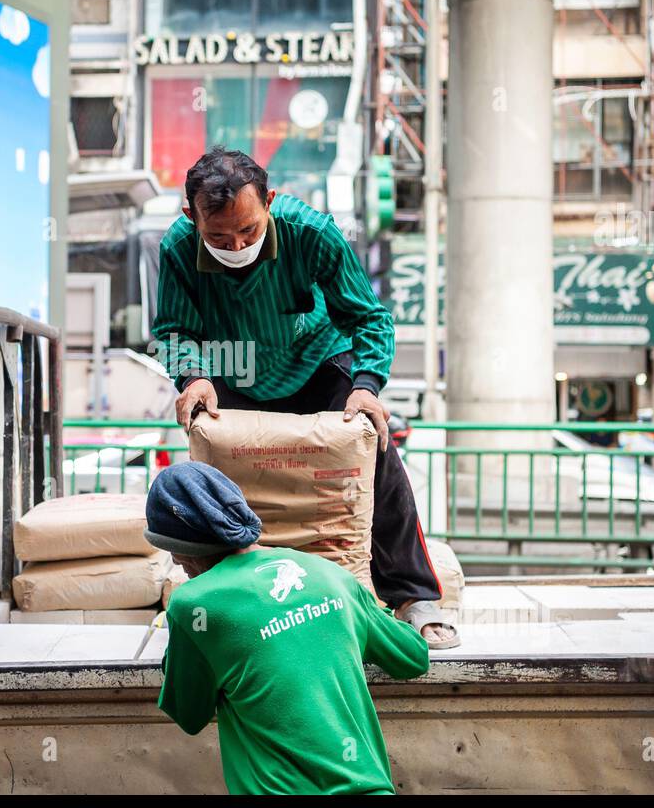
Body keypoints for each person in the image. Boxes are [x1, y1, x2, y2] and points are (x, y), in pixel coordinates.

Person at [152, 145, 458, 647]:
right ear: (192, 217)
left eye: (249, 230)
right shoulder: (177, 247)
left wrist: (367, 386)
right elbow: (172, 329)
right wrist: (193, 377)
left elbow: (369, 318)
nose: (236, 245)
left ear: (269, 201)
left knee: (377, 455)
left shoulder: (311, 231)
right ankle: (228, 607)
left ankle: (414, 599)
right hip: (235, 370)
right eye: (218, 236)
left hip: (319, 363)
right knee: (219, 484)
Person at [149, 461, 431, 795]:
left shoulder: (193, 604)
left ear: (182, 551)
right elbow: (414, 656)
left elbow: (190, 714)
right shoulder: (330, 575)